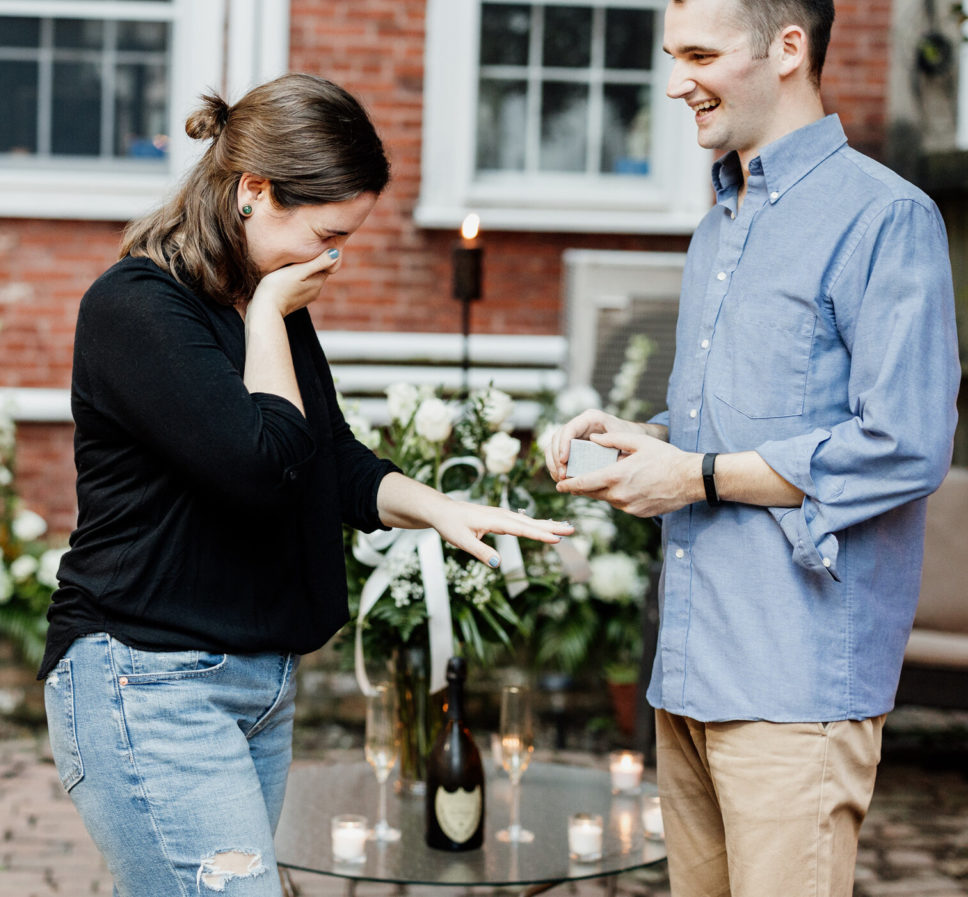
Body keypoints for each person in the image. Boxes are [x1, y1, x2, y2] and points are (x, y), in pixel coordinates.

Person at [39, 72, 574, 896]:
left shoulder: (270, 301)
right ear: (253, 190)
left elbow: (325, 457)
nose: (332, 258)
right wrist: (264, 318)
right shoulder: (136, 308)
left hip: (259, 680)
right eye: (327, 232)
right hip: (147, 679)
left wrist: (436, 508)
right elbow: (259, 465)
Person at [545, 0, 960, 897]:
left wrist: (690, 476)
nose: (679, 81)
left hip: (795, 683)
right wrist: (642, 439)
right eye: (673, 58)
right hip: (690, 669)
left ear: (785, 48)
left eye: (700, 56)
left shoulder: (885, 218)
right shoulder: (718, 222)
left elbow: (903, 444)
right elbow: (738, 417)